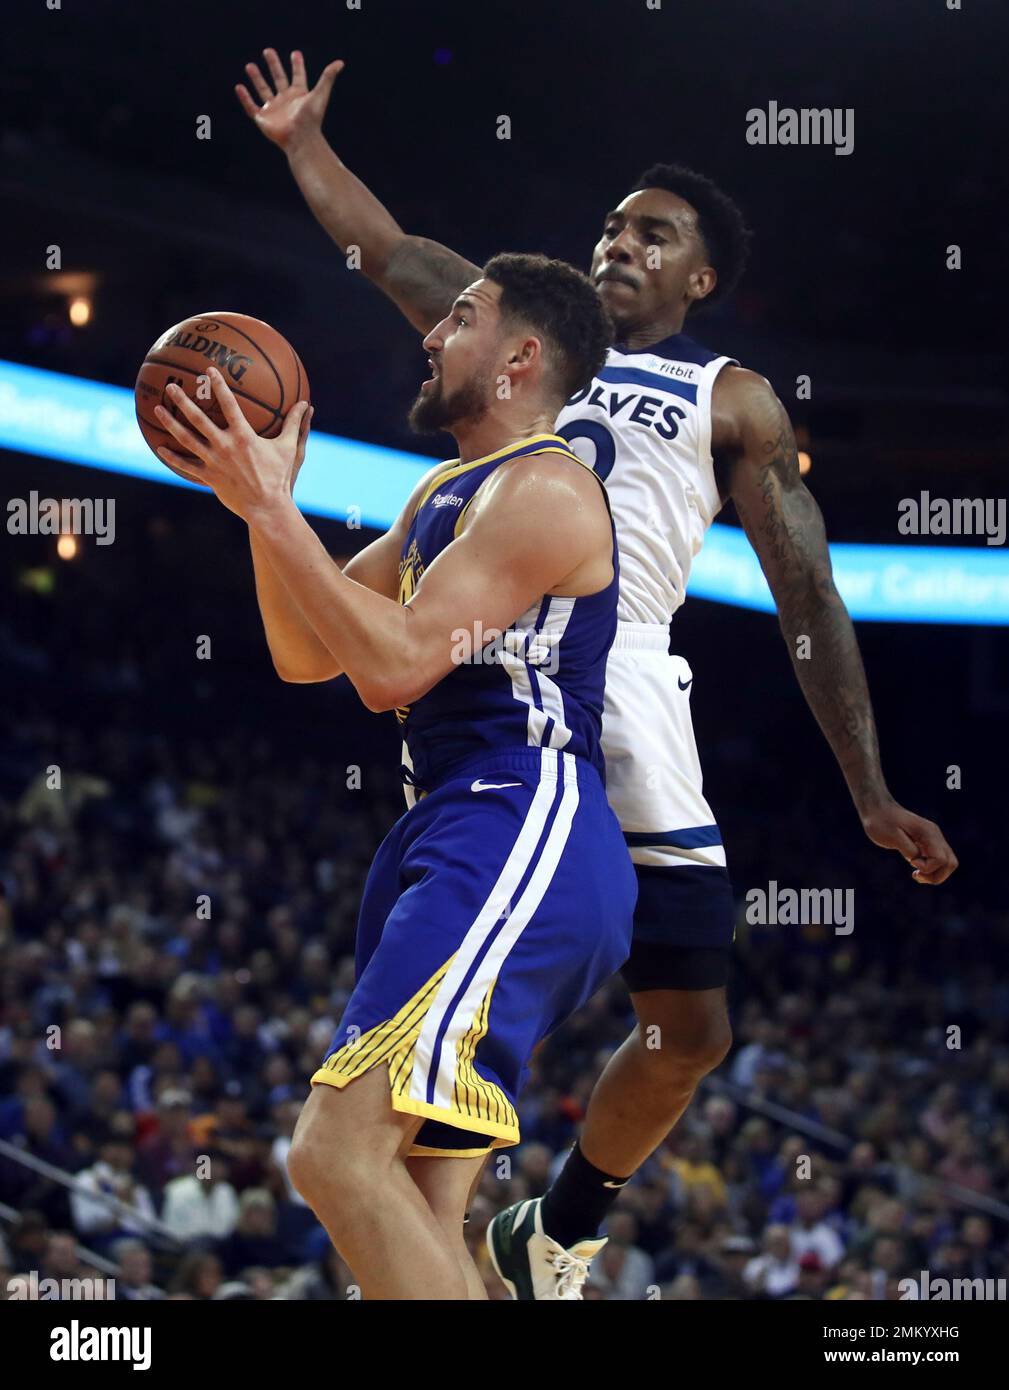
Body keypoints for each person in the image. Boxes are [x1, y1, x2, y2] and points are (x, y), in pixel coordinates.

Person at [234, 49, 959, 1298]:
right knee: (402, 1164)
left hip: (615, 680)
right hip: (488, 677)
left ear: (700, 276)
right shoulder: (509, 335)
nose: (619, 244)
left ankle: (558, 1228)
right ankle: (487, 1218)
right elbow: (387, 247)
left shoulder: (726, 396)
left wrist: (870, 788)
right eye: (612, 225)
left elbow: (810, 596)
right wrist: (304, 149)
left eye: (652, 234)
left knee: (690, 1030)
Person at [152, 251, 635, 1300]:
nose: (430, 334)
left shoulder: (546, 488)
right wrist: (260, 507)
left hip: (521, 818)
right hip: (450, 830)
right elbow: (306, 648)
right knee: (412, 1219)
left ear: (520, 356)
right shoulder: (441, 491)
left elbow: (392, 665)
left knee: (329, 1154)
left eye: (460, 317)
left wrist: (278, 515)